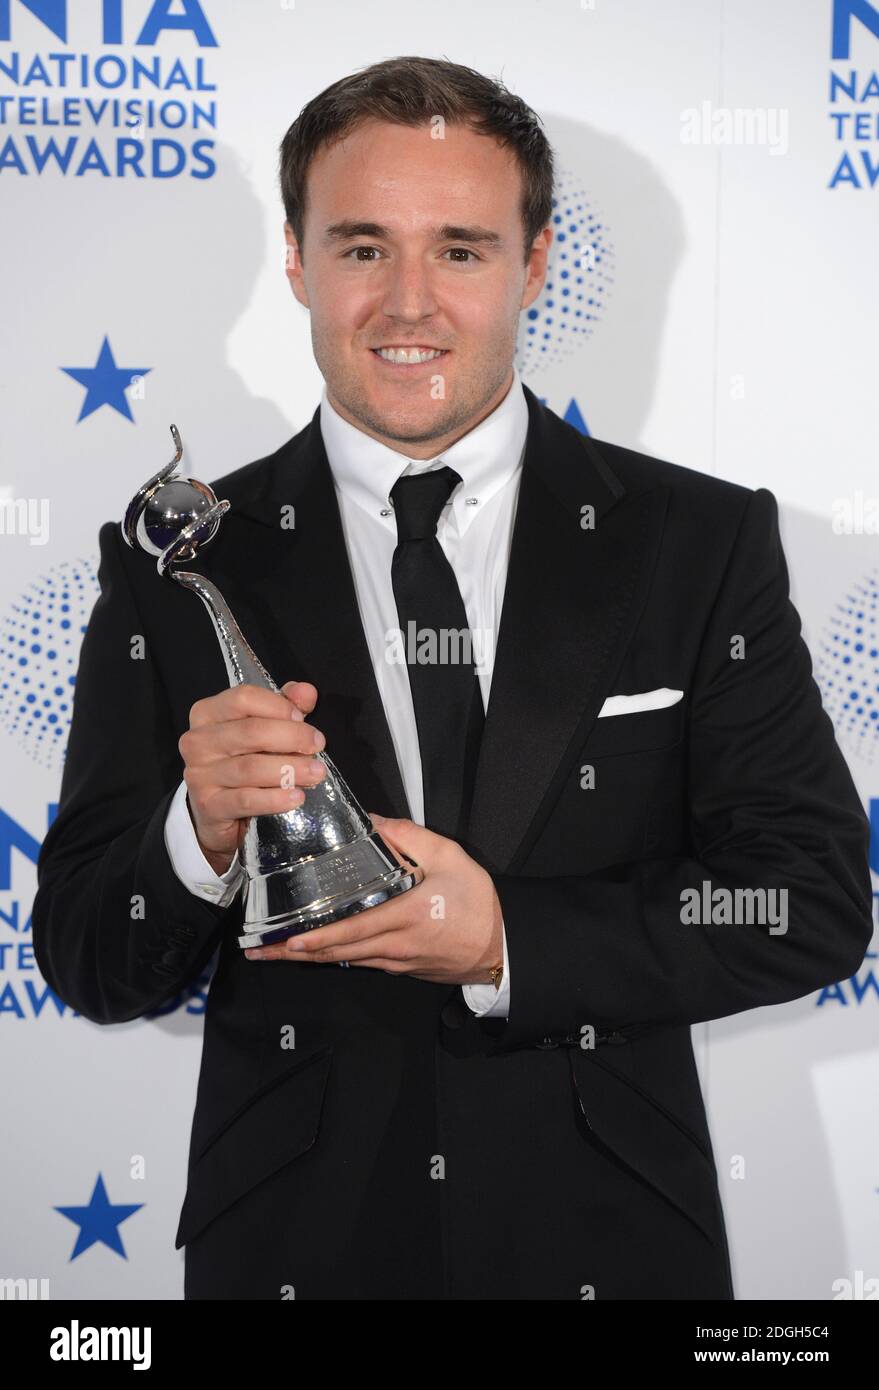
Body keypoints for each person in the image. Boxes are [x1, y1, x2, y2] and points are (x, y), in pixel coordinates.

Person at [32, 55, 873, 1301]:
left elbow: (806, 900)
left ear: (534, 264)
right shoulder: (179, 556)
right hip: (291, 1251)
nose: (407, 303)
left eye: (463, 251)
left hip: (612, 1245)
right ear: (299, 261)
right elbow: (89, 957)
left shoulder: (696, 544)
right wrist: (197, 834)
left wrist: (506, 943)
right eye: (364, 247)